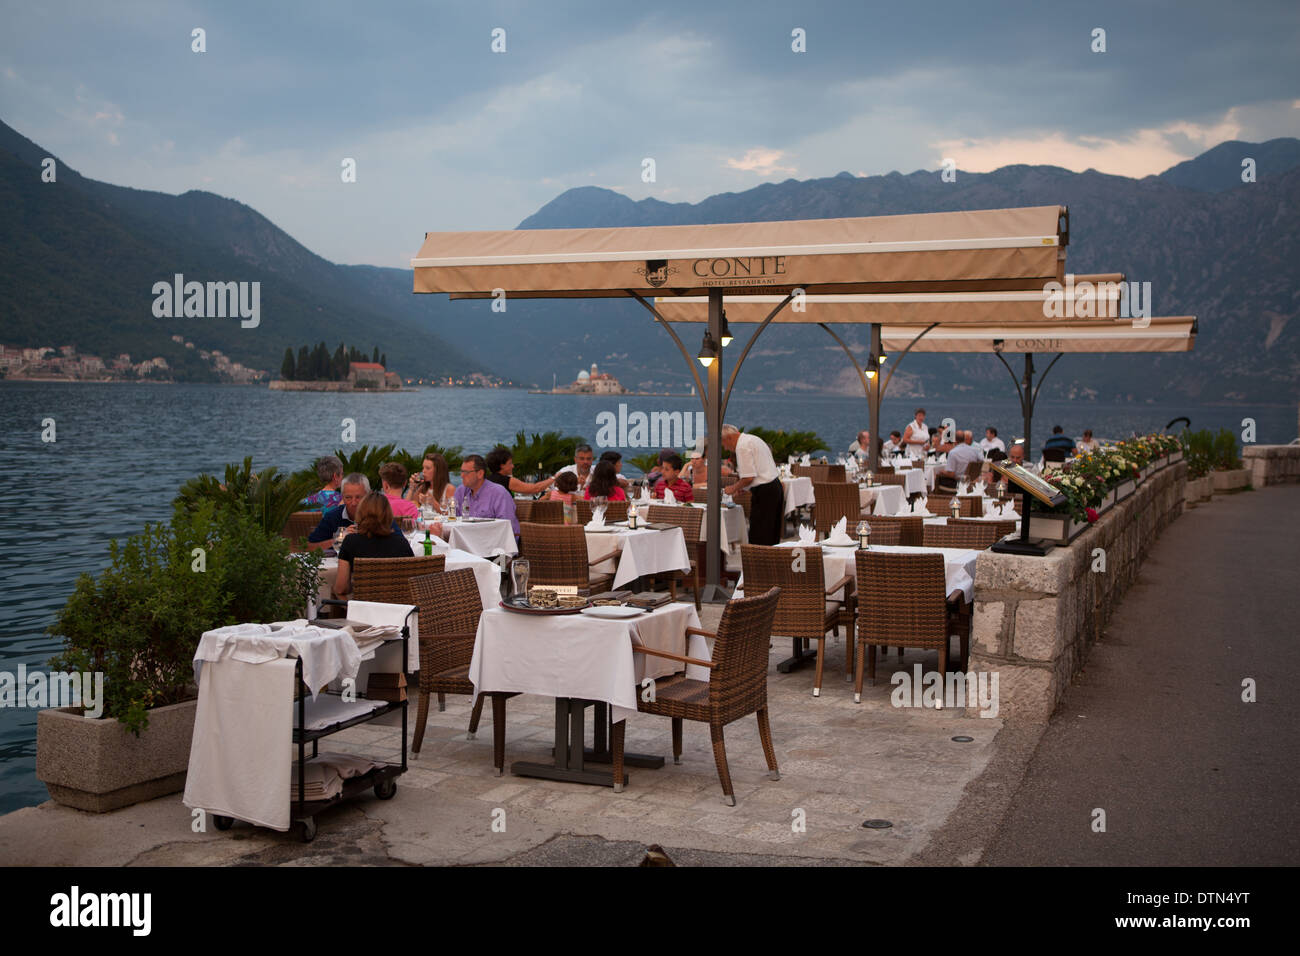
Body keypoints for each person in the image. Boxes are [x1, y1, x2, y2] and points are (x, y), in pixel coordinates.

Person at [333, 492, 415, 596]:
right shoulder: (401, 543)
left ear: (360, 513)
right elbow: (411, 583)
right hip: (395, 604)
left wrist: (355, 586)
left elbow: (341, 588)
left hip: (362, 604)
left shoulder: (350, 542)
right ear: (388, 515)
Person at [721, 424, 782, 546]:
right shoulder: (753, 439)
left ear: (728, 438)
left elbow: (749, 477)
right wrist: (745, 487)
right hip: (775, 486)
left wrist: (733, 488)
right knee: (771, 534)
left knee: (759, 536)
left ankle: (759, 559)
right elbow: (759, 470)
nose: (726, 448)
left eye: (723, 444)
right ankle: (772, 558)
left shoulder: (742, 446)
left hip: (765, 492)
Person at [307, 473, 402, 550]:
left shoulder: (380, 514)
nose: (353, 503)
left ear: (368, 495)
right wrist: (338, 540)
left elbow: (400, 542)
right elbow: (308, 547)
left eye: (358, 497)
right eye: (348, 497)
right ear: (342, 497)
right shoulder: (333, 516)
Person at [454, 454, 519, 535]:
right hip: (466, 537)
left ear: (480, 474)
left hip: (495, 539)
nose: (461, 476)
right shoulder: (461, 491)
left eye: (466, 472)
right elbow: (454, 519)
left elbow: (507, 526)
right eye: (461, 471)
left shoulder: (498, 493)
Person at [485, 446, 556, 496]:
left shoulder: (487, 480)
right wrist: (554, 477)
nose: (513, 466)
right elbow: (535, 489)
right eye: (510, 463)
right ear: (502, 465)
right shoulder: (507, 481)